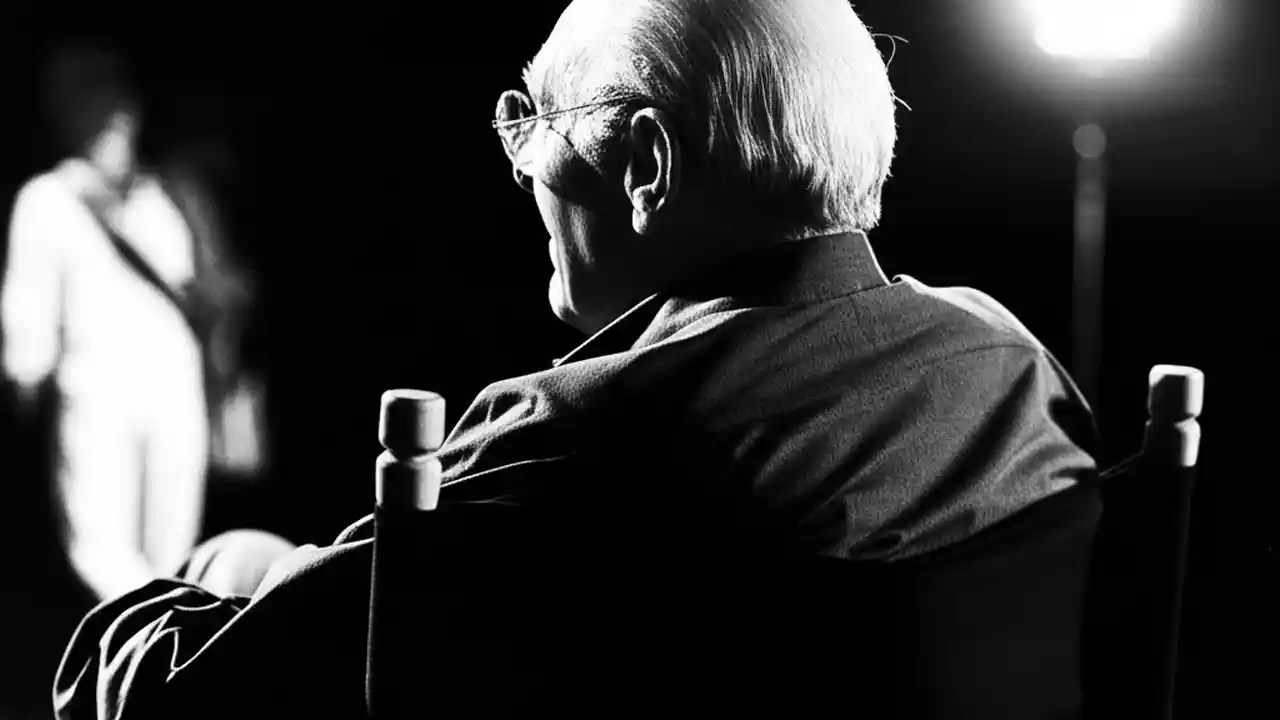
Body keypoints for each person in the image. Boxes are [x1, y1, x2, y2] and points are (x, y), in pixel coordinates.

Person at [51, 2, 1101, 718]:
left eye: (534, 122)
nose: (523, 174)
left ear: (643, 164)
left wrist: (187, 594)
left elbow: (164, 689)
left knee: (223, 560)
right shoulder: (1012, 364)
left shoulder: (584, 439)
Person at [0, 46, 248, 608]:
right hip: (132, 390)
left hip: (121, 393)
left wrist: (25, 377)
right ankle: (160, 648)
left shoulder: (139, 194)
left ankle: (145, 651)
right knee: (142, 550)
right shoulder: (103, 197)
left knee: (114, 546)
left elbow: (29, 318)